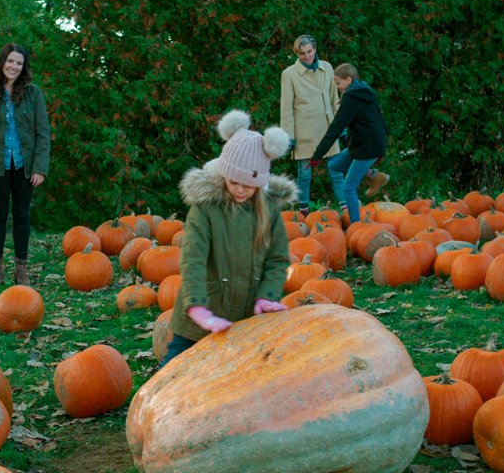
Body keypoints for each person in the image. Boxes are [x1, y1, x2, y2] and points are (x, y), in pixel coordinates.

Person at [162, 110, 294, 366]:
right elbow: (193, 258)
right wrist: (197, 306)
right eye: (234, 182)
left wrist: (267, 295)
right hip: (201, 315)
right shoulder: (206, 207)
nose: (241, 189)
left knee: (230, 378)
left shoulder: (269, 210)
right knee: (175, 369)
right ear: (224, 173)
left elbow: (277, 259)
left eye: (249, 184)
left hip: (245, 316)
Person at [0, 43, 51, 286]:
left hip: (24, 166)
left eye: (19, 63)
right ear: (2, 63)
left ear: (23, 66)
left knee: (21, 214)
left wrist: (40, 168)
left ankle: (21, 268)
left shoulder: (33, 94)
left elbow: (43, 133)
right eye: (10, 61)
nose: (14, 67)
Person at [309, 63, 389, 227]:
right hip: (360, 143)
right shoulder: (364, 91)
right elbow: (369, 121)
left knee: (348, 187)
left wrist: (317, 155)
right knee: (334, 165)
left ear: (349, 80)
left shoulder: (351, 98)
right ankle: (374, 175)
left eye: (338, 83)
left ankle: (356, 227)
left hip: (368, 147)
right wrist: (348, 140)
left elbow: (336, 128)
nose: (337, 87)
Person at [279, 34, 340, 212]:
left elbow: (334, 98)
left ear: (315, 49)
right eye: (302, 53)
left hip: (328, 129)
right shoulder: (289, 74)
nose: (307, 56)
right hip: (305, 132)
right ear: (297, 54)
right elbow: (286, 108)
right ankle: (302, 212)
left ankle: (347, 209)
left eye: (309, 51)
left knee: (337, 171)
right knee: (305, 174)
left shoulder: (327, 67)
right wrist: (288, 137)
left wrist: (340, 126)